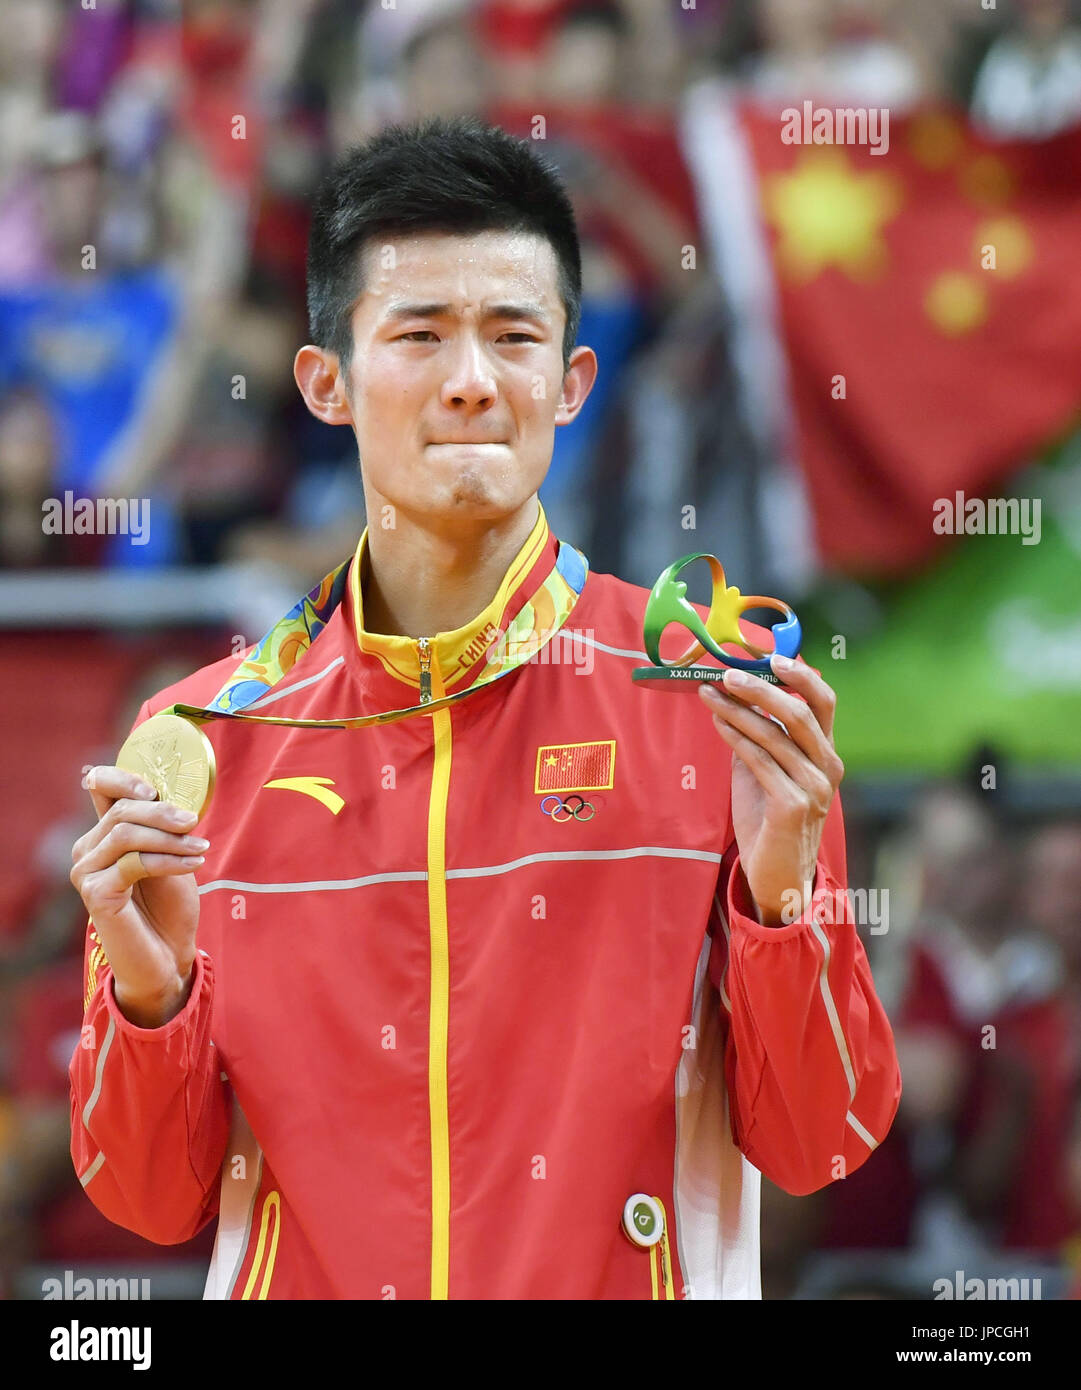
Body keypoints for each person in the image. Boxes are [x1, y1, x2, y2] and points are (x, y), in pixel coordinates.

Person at [68, 116, 900, 1300]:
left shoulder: (711, 703)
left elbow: (823, 1140)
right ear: (326, 384)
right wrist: (151, 1005)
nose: (471, 379)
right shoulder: (205, 742)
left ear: (568, 384)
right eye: (418, 335)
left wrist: (780, 899)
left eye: (514, 336)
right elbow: (145, 1197)